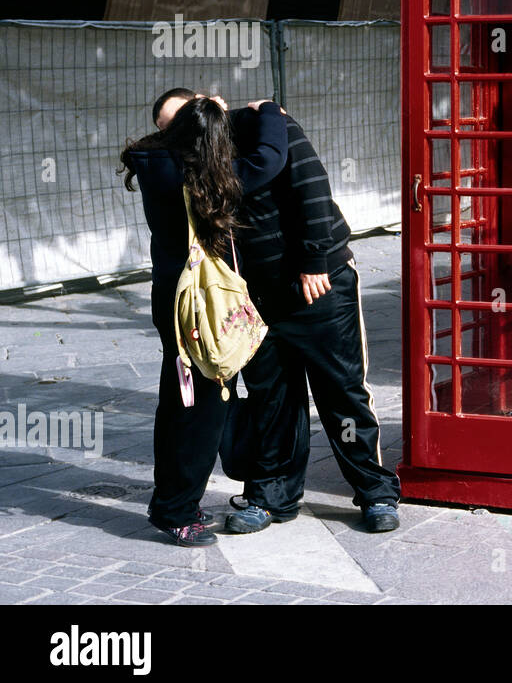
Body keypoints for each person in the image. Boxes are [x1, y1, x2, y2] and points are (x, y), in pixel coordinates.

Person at [156, 92, 402, 534]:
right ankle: (271, 495)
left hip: (315, 285)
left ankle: (375, 491)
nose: (175, 140)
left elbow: (311, 186)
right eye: (167, 132)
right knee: (271, 398)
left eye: (179, 127)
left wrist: (314, 261)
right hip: (252, 299)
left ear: (206, 108)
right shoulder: (191, 157)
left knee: (341, 390)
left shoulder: (268, 129)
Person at [120, 95, 287, 547]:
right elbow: (270, 158)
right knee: (202, 410)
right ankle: (176, 510)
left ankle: (174, 501)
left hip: (170, 297)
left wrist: (207, 113)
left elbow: (180, 133)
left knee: (179, 399)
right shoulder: (204, 176)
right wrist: (268, 110)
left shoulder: (155, 158)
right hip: (200, 305)